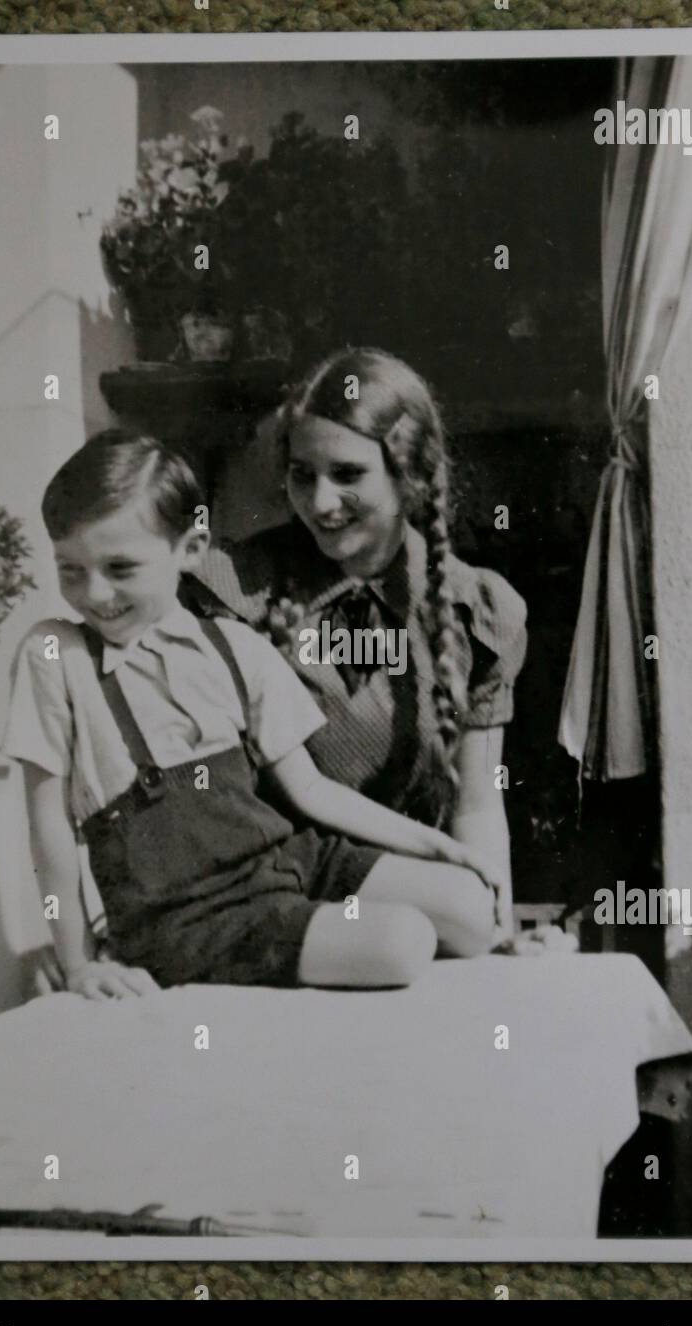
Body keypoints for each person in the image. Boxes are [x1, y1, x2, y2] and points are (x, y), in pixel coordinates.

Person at [1, 430, 506, 1000]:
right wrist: (77, 962)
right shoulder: (57, 656)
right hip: (189, 915)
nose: (95, 594)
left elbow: (312, 791)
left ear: (190, 551)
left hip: (288, 861)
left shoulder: (233, 646)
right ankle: (307, 939)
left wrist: (441, 847)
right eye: (71, 570)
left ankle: (315, 930)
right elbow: (50, 833)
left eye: (120, 568)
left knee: (470, 909)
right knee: (401, 942)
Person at [182, 347, 528, 938]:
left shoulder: (479, 613)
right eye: (301, 474)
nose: (319, 502)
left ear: (410, 473)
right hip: (267, 899)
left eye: (347, 475)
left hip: (414, 901)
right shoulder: (232, 589)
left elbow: (477, 804)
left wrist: (499, 932)